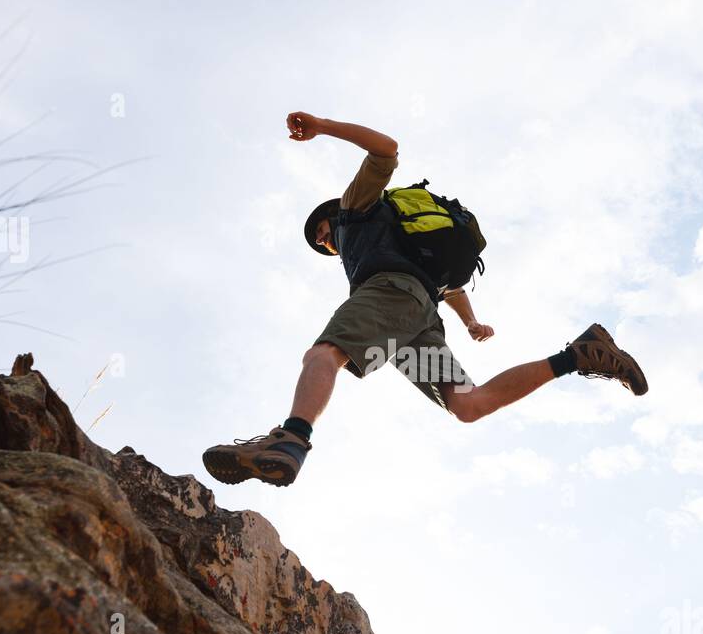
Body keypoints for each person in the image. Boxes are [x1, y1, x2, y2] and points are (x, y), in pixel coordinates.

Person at [202, 112, 648, 488]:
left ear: (331, 214)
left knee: (324, 353)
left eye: (321, 232)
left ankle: (292, 438)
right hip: (417, 316)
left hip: (391, 294)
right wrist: (471, 323)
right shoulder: (390, 239)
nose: (323, 241)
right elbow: (448, 287)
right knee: (468, 406)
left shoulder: (354, 208)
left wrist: (322, 126)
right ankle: (578, 355)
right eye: (321, 242)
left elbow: (386, 150)